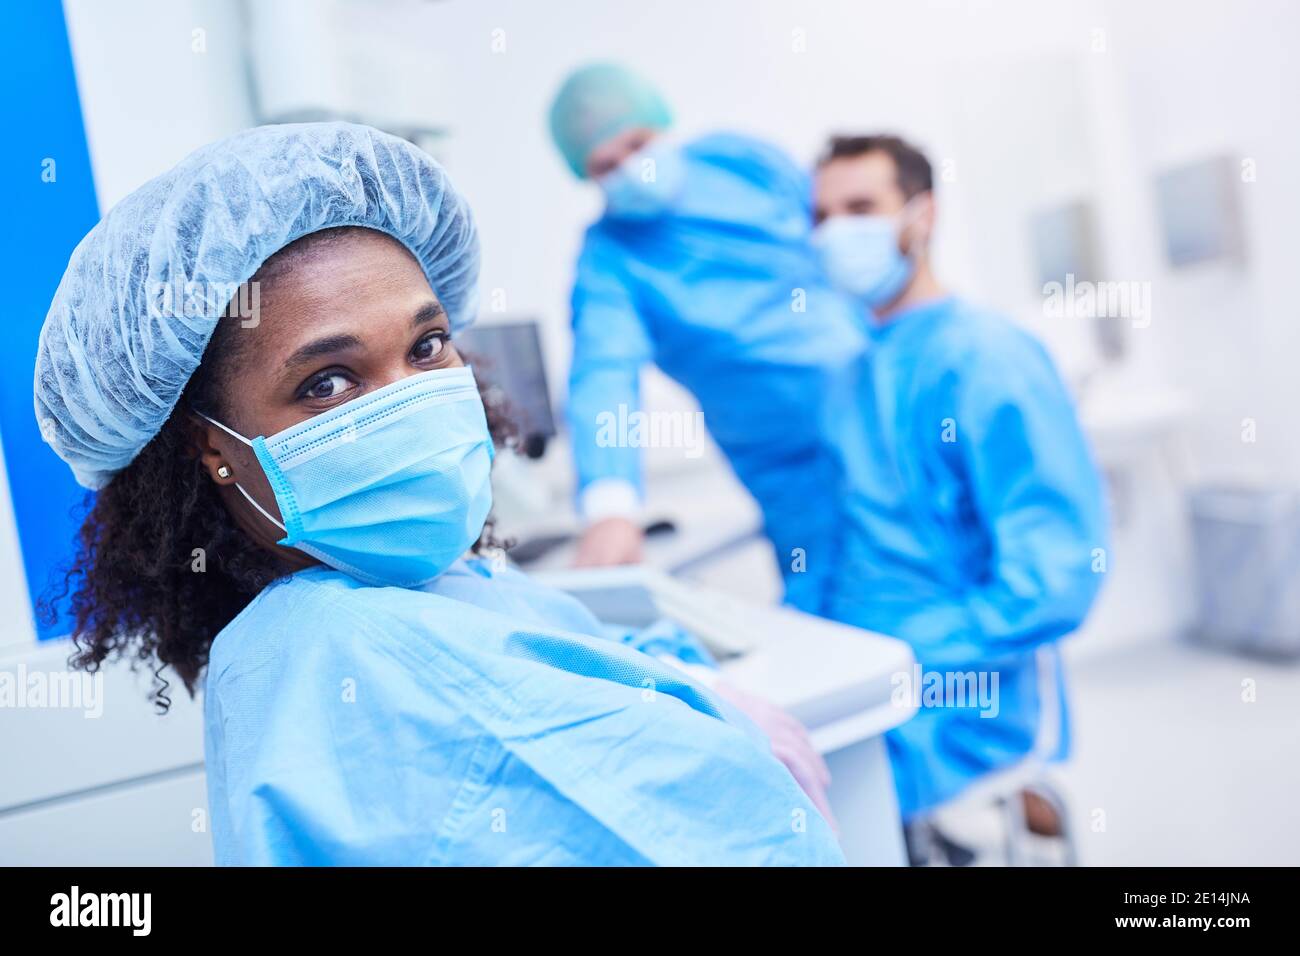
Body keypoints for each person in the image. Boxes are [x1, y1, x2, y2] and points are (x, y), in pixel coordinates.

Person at [35, 122, 843, 866]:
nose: (409, 399)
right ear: (214, 447)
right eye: (327, 382)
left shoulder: (405, 592)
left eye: (427, 346)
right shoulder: (345, 658)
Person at [810, 134, 1108, 846]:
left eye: (860, 208)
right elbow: (846, 537)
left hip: (959, 687)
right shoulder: (850, 373)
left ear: (921, 216)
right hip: (863, 663)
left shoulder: (989, 358)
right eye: (821, 217)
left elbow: (1056, 578)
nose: (835, 234)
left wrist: (902, 655)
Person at [549, 64, 867, 612]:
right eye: (606, 164)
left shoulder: (741, 162)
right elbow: (604, 376)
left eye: (637, 144)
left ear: (660, 123)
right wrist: (611, 506)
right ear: (585, 175)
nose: (628, 167)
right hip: (792, 466)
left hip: (883, 412)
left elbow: (840, 242)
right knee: (840, 607)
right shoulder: (610, 261)